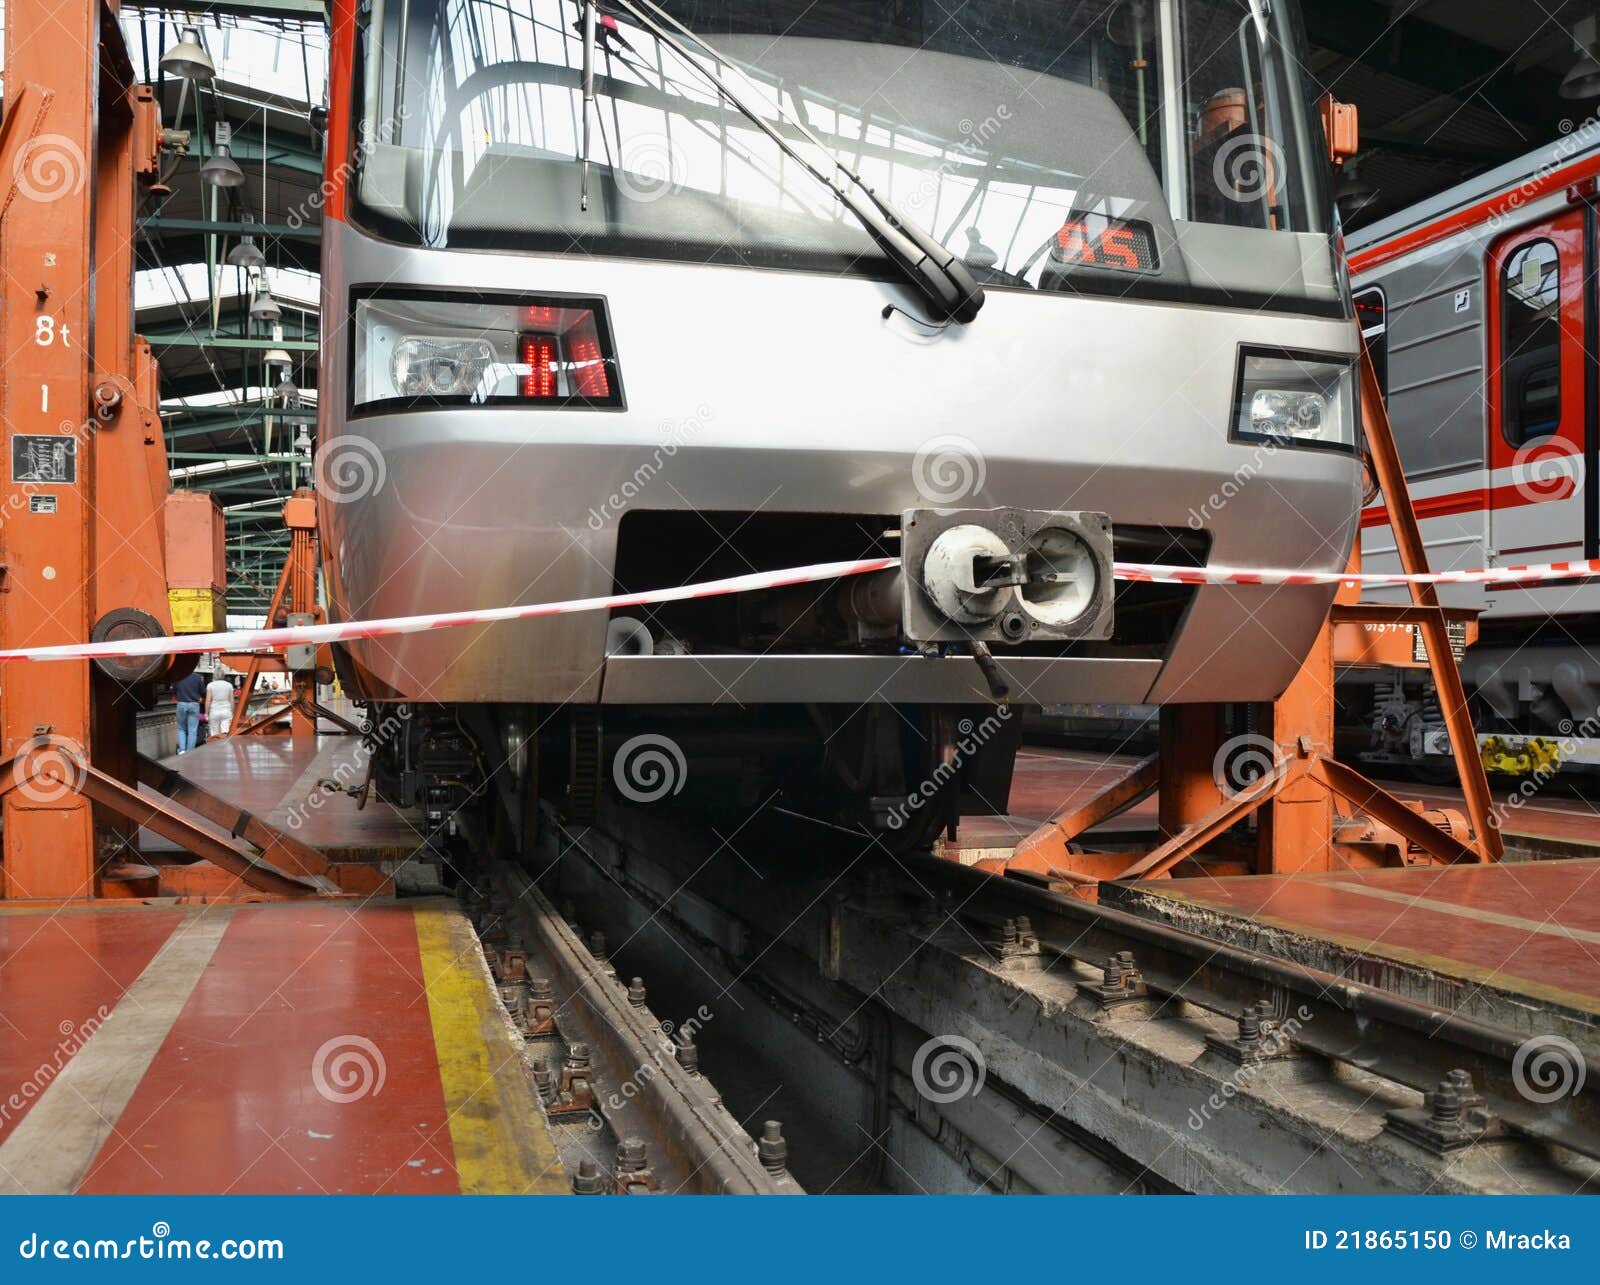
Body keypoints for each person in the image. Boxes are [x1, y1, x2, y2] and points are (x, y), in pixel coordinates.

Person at [173, 668, 206, 753]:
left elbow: (173, 691)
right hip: (194, 705)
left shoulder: (178, 677)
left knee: (181, 728)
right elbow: (203, 692)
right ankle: (190, 751)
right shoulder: (197, 677)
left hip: (181, 704)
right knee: (192, 730)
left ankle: (182, 750)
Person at [206, 672, 236, 737]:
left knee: (214, 734)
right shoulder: (229, 685)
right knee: (225, 733)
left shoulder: (210, 685)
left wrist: (206, 713)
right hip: (226, 711)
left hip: (214, 711)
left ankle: (215, 746)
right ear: (223, 676)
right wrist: (233, 712)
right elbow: (232, 700)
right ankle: (225, 746)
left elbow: (208, 700)